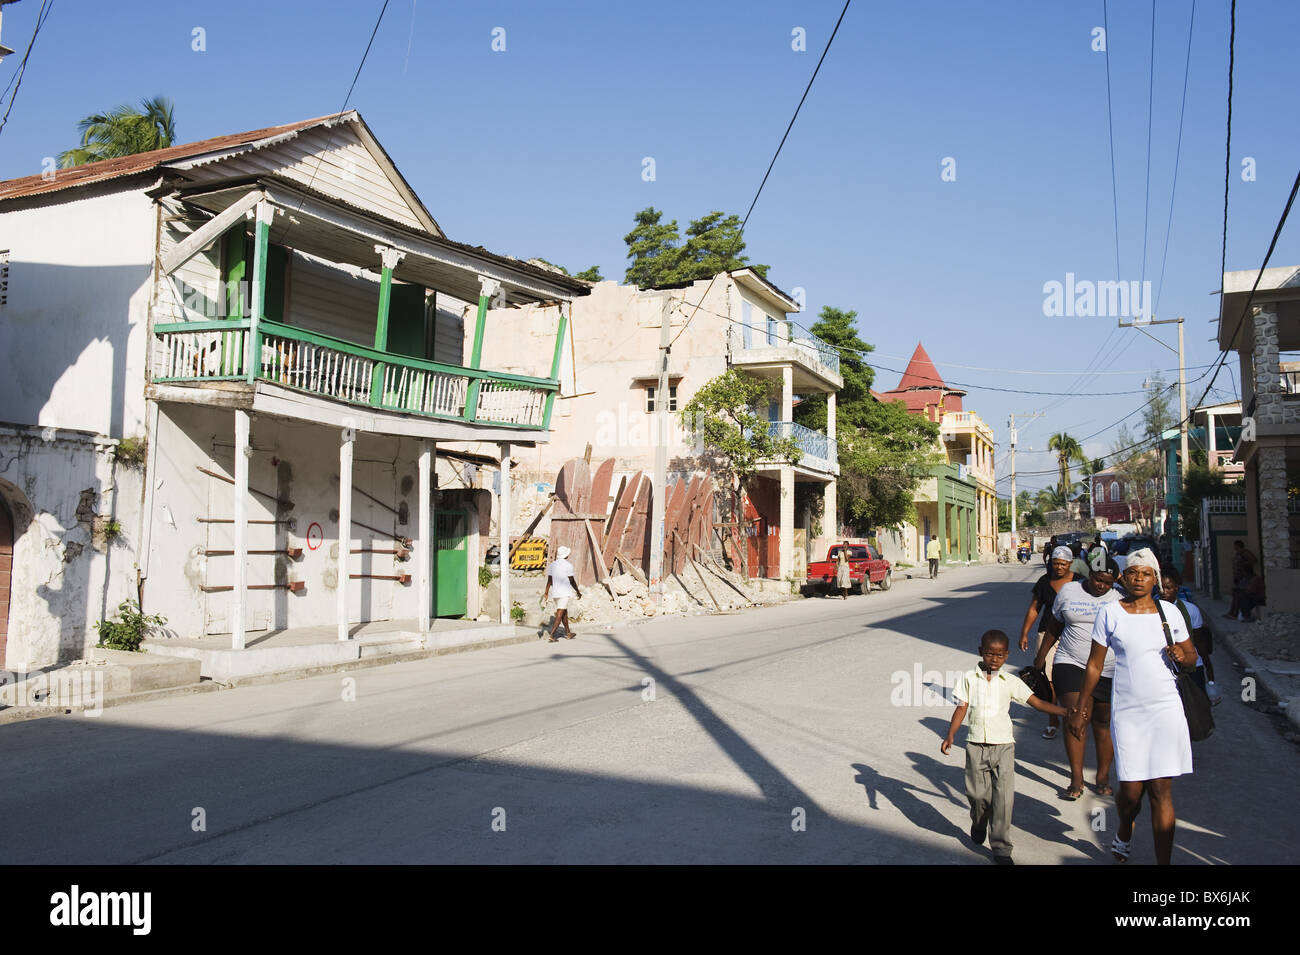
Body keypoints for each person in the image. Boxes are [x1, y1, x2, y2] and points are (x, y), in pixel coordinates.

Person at [1068, 548, 1198, 864]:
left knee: (1160, 791)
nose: (1139, 579)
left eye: (1146, 574)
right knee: (1130, 793)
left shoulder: (1170, 612)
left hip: (1165, 709)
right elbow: (1095, 665)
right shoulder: (1111, 613)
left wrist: (1183, 656)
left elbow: (1193, 657)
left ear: (1155, 578)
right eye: (1133, 573)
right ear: (1124, 578)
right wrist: (1082, 707)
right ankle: (1125, 827)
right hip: (1127, 712)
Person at [941, 629, 1066, 865]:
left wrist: (1063, 712)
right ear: (981, 652)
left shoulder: (1010, 681)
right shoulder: (969, 678)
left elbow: (1037, 703)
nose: (994, 659)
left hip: (1004, 747)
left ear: (1007, 655)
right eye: (990, 654)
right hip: (976, 745)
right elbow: (961, 708)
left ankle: (1001, 848)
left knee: (1004, 800)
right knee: (978, 797)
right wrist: (950, 736)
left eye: (999, 655)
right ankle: (978, 822)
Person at [1037, 550, 1122, 799]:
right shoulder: (1069, 591)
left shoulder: (1120, 597)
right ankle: (1076, 777)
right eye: (1098, 579)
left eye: (1108, 582)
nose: (1101, 586)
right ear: (1089, 574)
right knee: (1076, 715)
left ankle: (1103, 775)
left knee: (1103, 722)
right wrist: (1042, 655)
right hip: (1070, 662)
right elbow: (1055, 625)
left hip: (1109, 668)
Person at [1017, 545, 1078, 739]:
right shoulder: (1044, 582)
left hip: (1073, 634)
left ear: (1070, 564)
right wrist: (1024, 632)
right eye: (1055, 563)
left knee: (1073, 678)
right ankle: (1053, 720)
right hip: (1047, 634)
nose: (1059, 567)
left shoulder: (1080, 583)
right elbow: (1035, 608)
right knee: (1048, 679)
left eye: (1063, 564)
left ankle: (1075, 716)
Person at [1161, 568, 1222, 705]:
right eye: (1161, 587)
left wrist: (1209, 671)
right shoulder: (1150, 610)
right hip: (1164, 666)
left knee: (1196, 708)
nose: (1164, 592)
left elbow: (1200, 643)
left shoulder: (1190, 610)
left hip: (1192, 666)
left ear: (1177, 588)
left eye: (1168, 588)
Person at [540, 545, 582, 642]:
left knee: (564, 613)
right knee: (560, 614)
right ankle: (552, 635)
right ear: (566, 555)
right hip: (564, 593)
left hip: (555, 593)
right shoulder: (568, 566)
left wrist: (546, 593)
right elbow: (572, 580)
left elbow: (549, 581)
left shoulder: (552, 565)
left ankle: (568, 633)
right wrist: (578, 591)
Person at [1225, 540, 1257, 618]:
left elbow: (1254, 560)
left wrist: (1245, 566)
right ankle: (1232, 612)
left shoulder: (1245, 553)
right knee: (1235, 594)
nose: (1234, 548)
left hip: (1244, 578)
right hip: (1238, 577)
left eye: (1235, 546)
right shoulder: (1238, 554)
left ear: (1238, 546)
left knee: (1238, 594)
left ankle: (1234, 613)